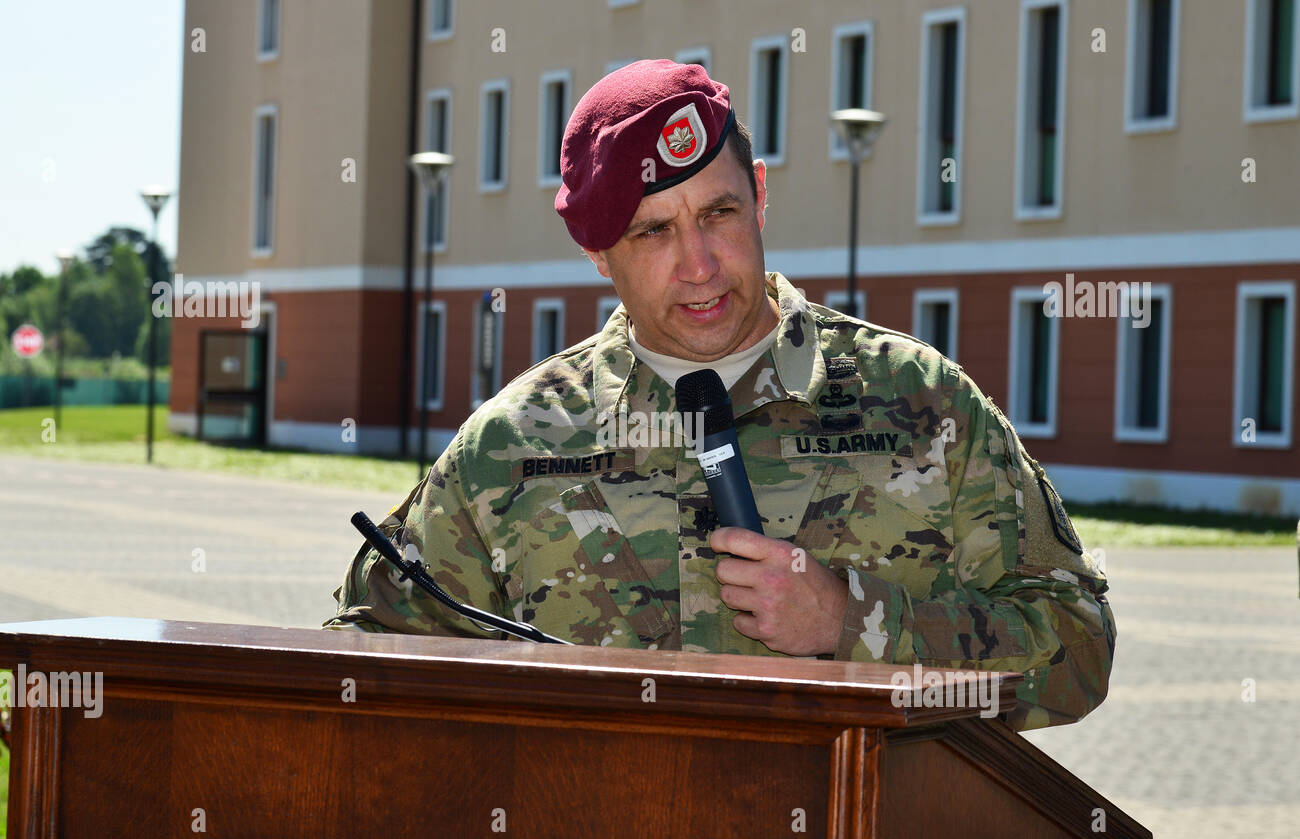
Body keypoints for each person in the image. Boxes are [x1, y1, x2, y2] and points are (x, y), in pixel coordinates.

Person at [325, 60, 1116, 732]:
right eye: (653, 232)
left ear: (761, 195)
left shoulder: (922, 405)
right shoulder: (516, 445)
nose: (699, 263)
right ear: (600, 254)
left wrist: (855, 624)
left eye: (720, 213)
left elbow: (1077, 655)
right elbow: (358, 667)